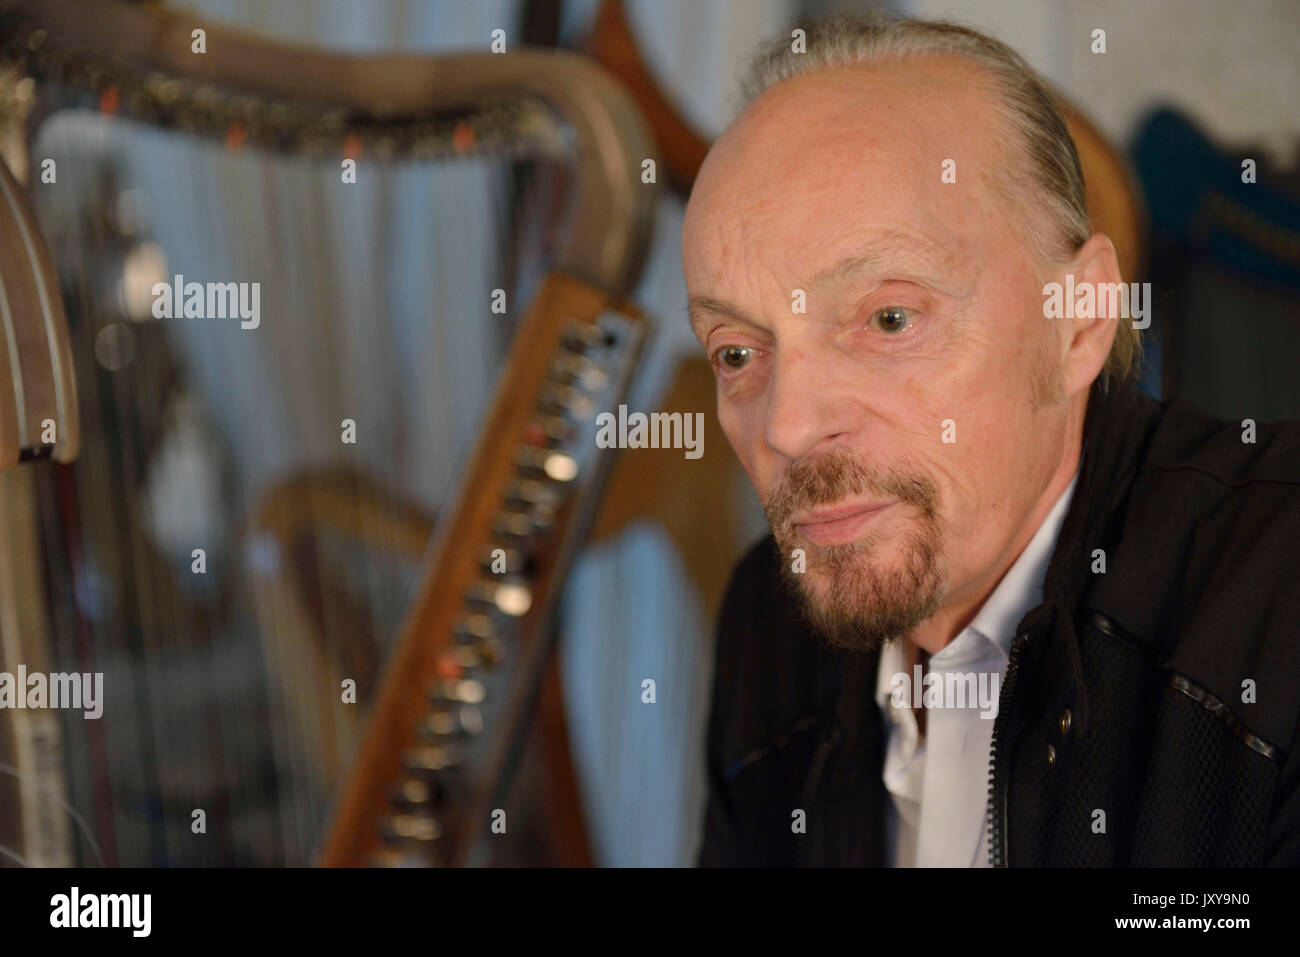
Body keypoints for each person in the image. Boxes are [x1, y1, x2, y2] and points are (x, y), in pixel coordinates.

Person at [683, 15, 1300, 866]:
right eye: (739, 353)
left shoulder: (1281, 601)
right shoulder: (771, 620)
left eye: (889, 318)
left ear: (1080, 319)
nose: (787, 427)